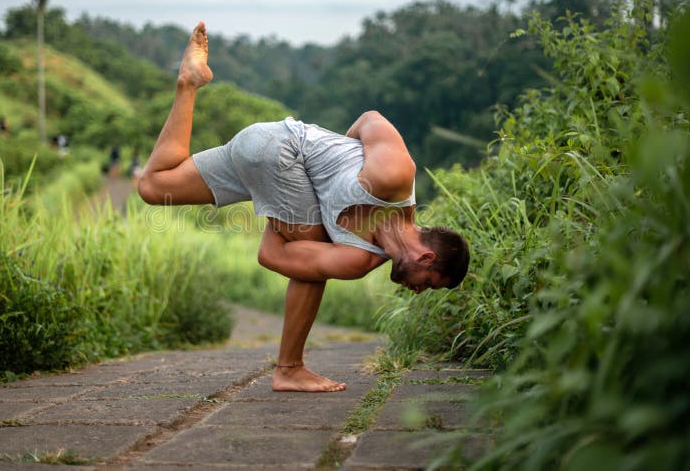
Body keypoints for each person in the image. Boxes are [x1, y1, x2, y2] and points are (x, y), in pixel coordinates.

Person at [138, 22, 469, 393]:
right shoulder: (392, 178)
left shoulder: (357, 258)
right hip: (285, 146)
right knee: (314, 261)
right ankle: (289, 369)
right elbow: (371, 118)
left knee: (154, 186)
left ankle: (188, 82)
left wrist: (282, 197)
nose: (419, 292)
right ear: (426, 258)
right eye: (430, 285)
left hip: (261, 149)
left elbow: (269, 255)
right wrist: (335, 160)